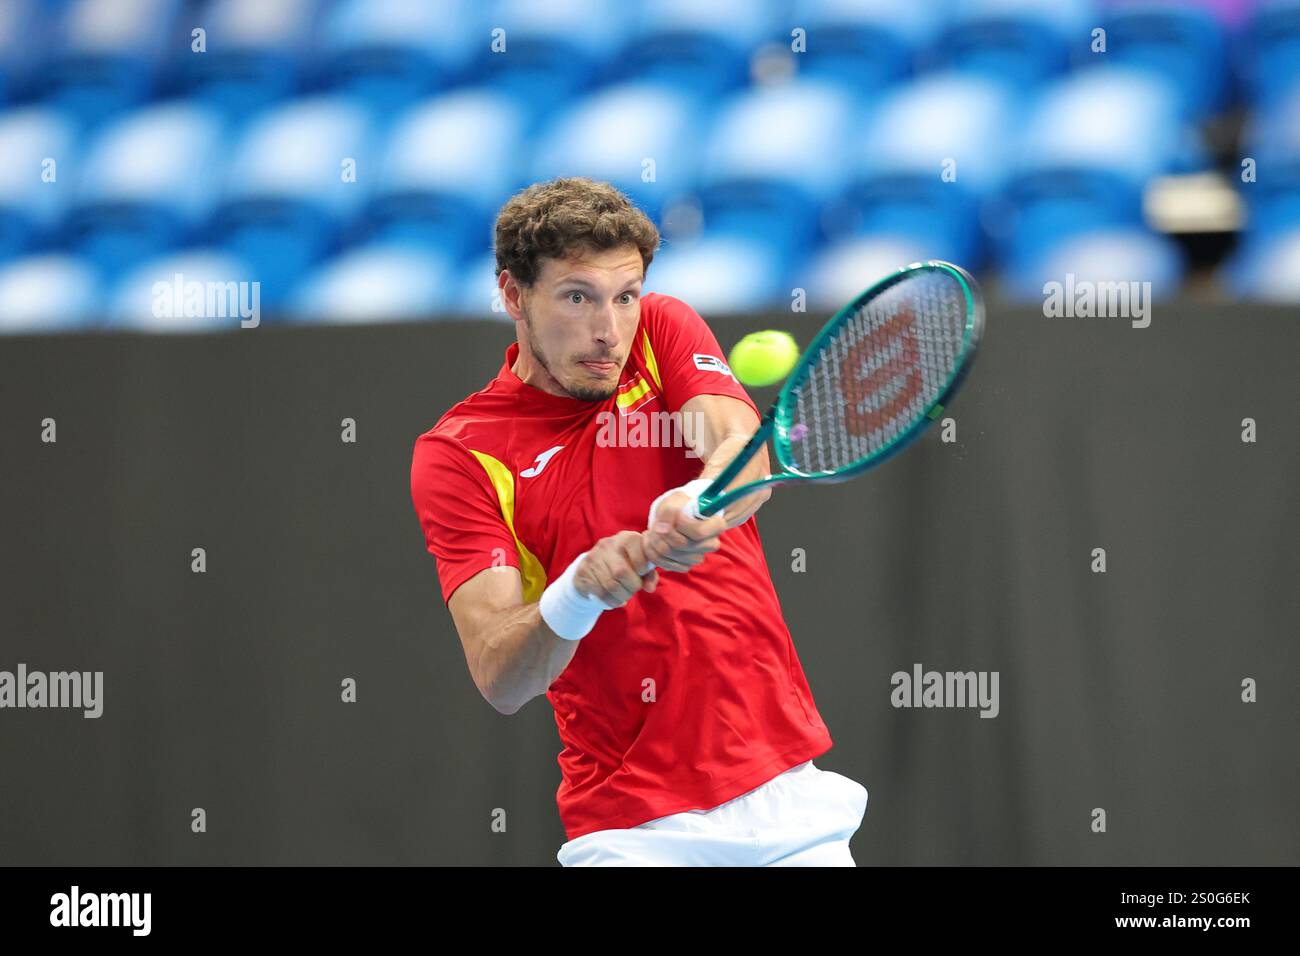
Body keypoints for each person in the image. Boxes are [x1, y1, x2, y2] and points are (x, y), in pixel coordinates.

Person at [410, 177, 867, 866]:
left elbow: (742, 452)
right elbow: (501, 677)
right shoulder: (461, 454)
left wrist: (699, 500)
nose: (609, 329)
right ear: (512, 295)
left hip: (784, 798)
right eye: (577, 297)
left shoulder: (663, 329)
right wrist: (579, 591)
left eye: (625, 296)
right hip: (630, 832)